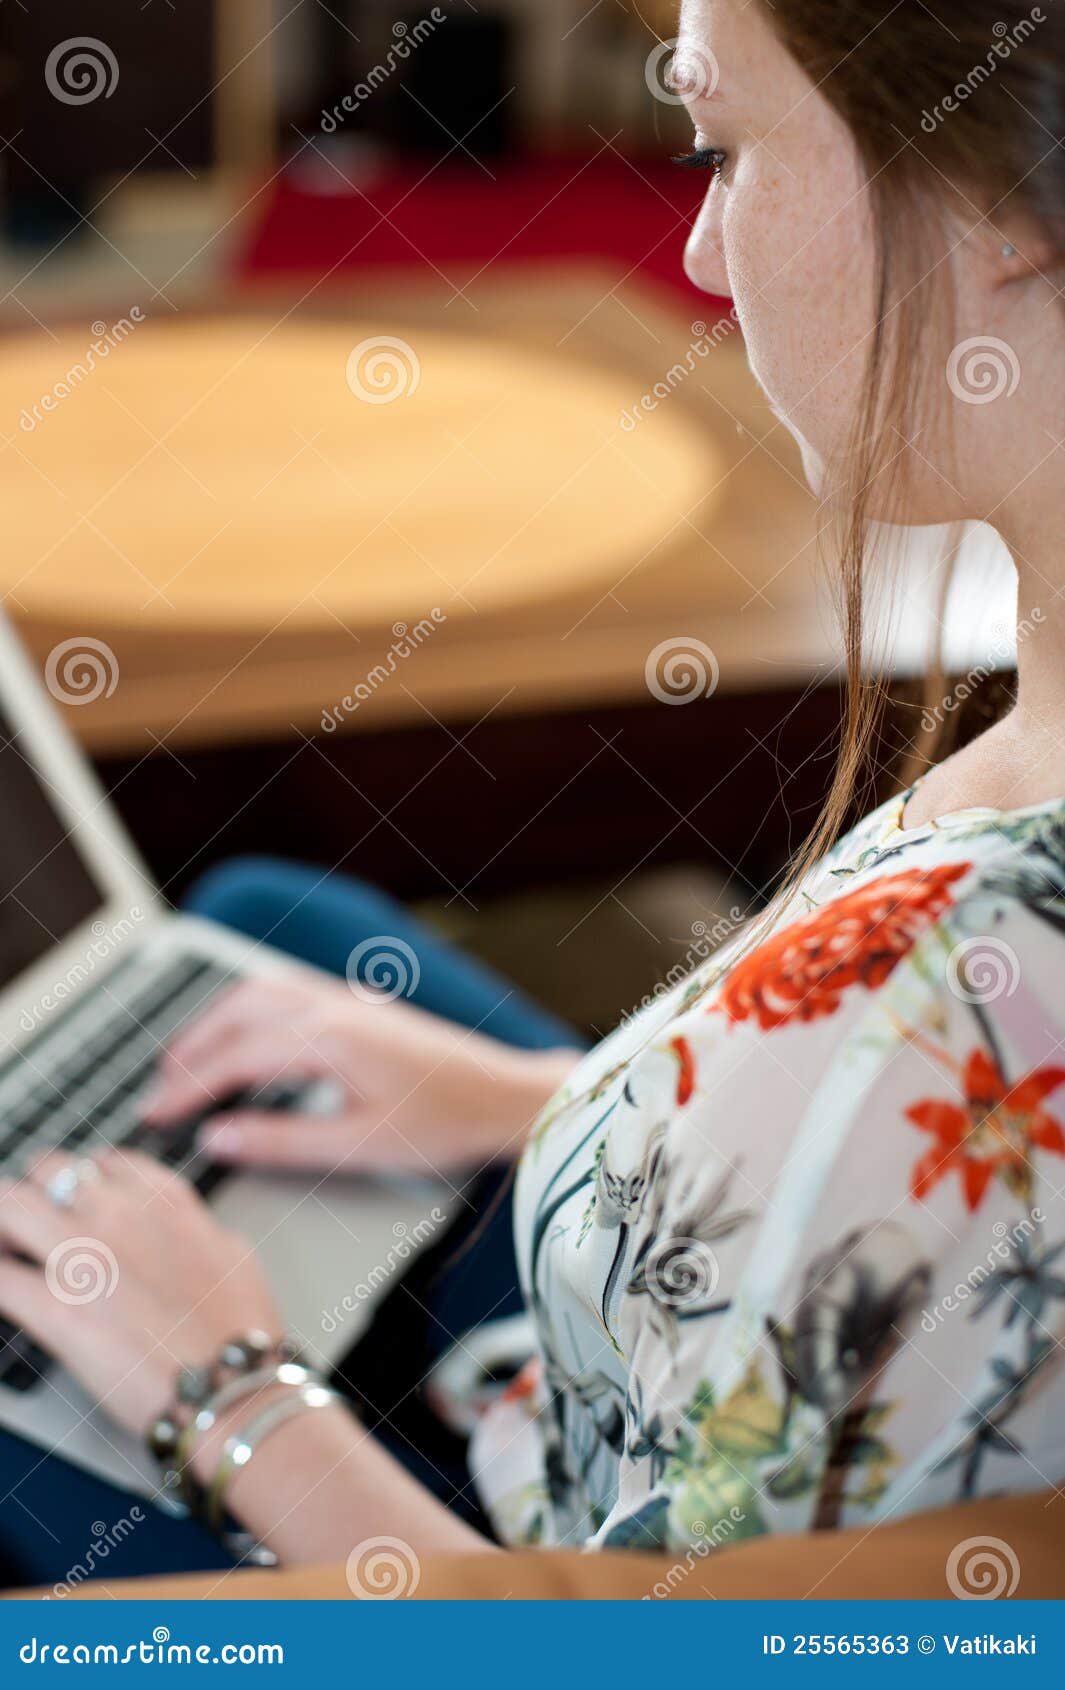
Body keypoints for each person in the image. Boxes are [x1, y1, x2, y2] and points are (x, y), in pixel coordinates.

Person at [1, 0, 1063, 1581]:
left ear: (998, 219)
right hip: (655, 1291)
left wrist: (225, 1386)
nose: (698, 250)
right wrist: (547, 1104)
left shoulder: (938, 990)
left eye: (721, 148)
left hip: (509, 1549)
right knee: (261, 925)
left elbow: (616, 1640)